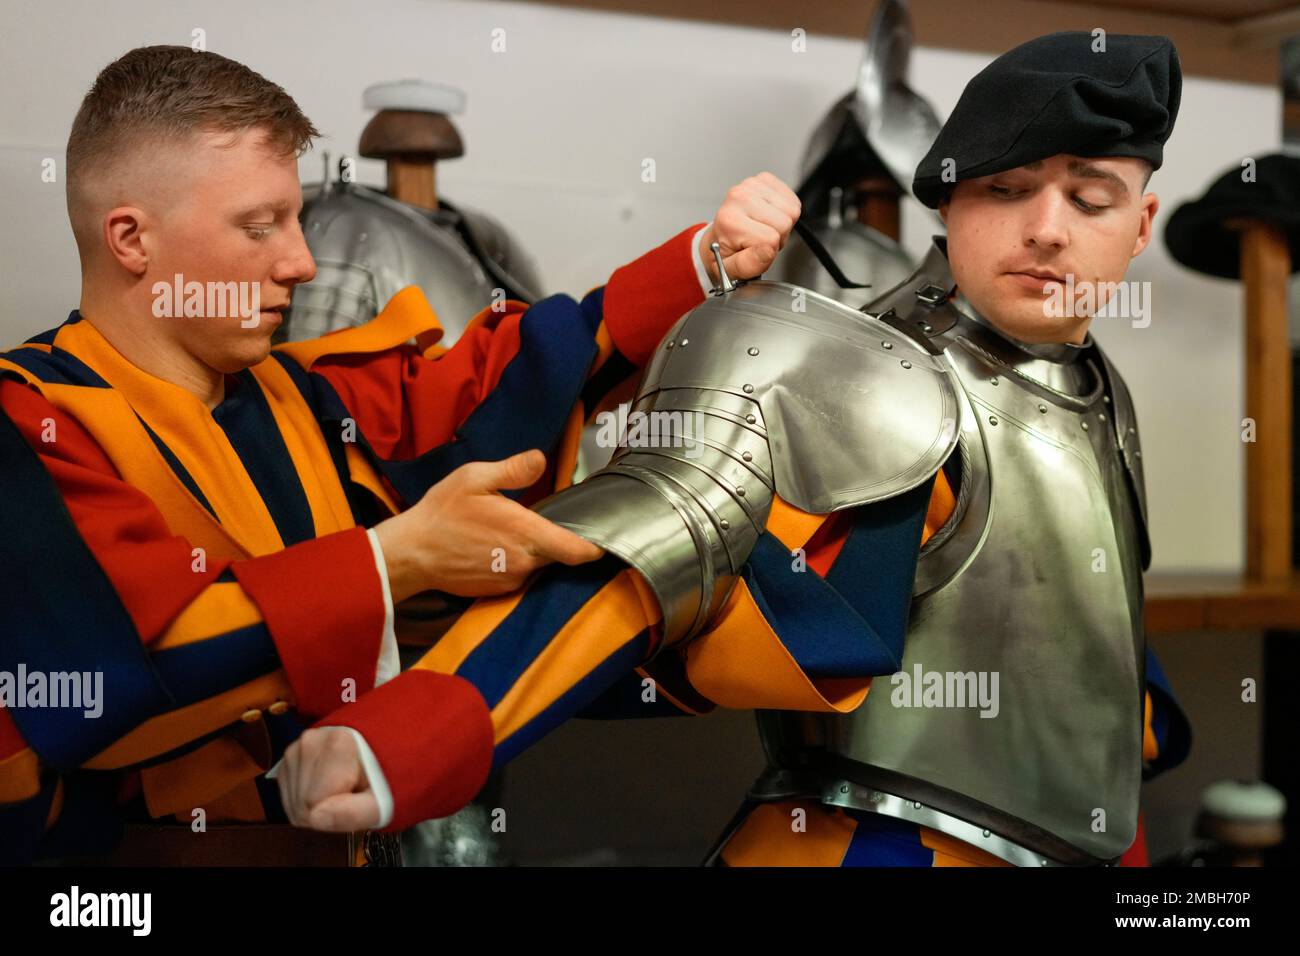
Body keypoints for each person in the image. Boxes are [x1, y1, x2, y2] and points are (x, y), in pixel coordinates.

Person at [294, 31, 1192, 867]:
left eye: (1089, 198)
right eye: (1006, 188)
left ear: (1141, 225)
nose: (1047, 228)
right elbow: (639, 554)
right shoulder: (853, 372)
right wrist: (411, 736)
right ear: (949, 200)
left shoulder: (1097, 384)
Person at [0, 43, 799, 864]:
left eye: (296, 220)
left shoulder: (298, 395)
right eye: (258, 225)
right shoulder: (28, 421)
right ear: (131, 239)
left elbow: (495, 384)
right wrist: (394, 560)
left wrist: (701, 262)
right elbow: (117, 674)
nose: (301, 263)